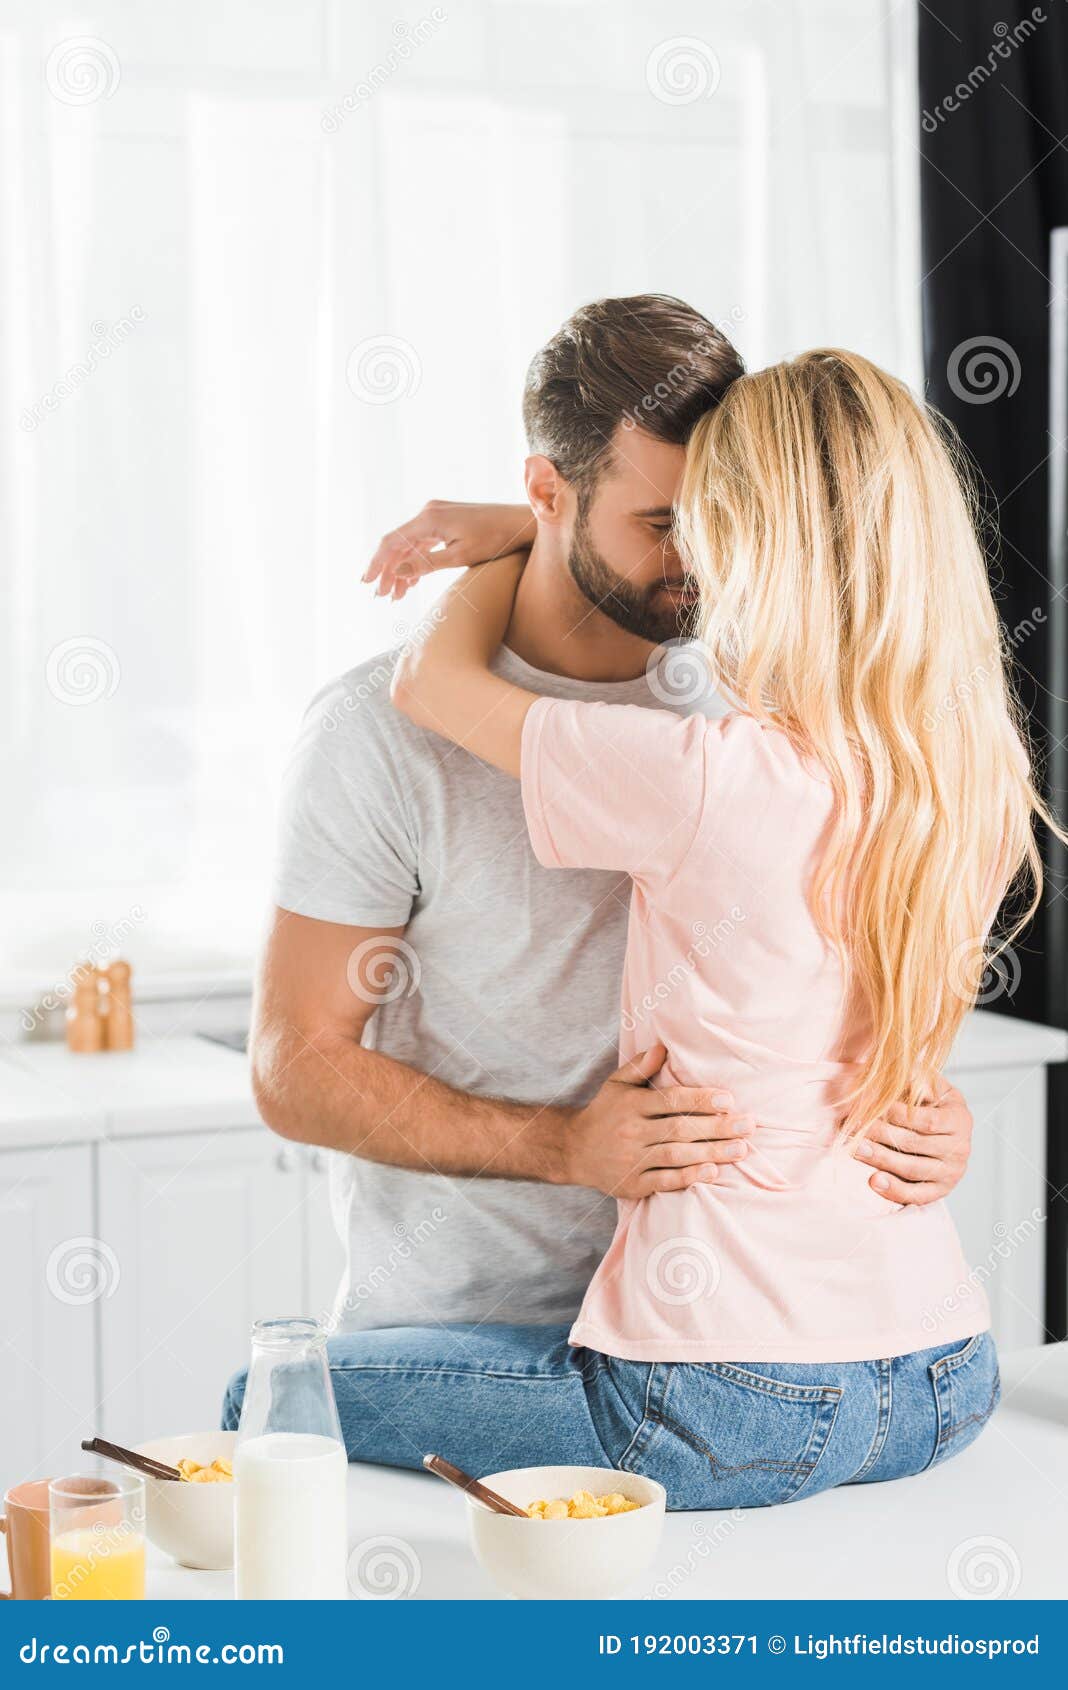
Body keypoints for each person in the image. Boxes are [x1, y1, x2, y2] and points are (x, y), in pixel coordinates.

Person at [227, 307, 977, 1484]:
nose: (703, 561)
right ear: (548, 488)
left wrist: (925, 1106)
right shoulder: (376, 736)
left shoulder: (760, 709)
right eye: (665, 522)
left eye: (728, 520)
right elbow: (292, 1066)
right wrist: (566, 1146)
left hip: (726, 1355)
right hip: (481, 1338)